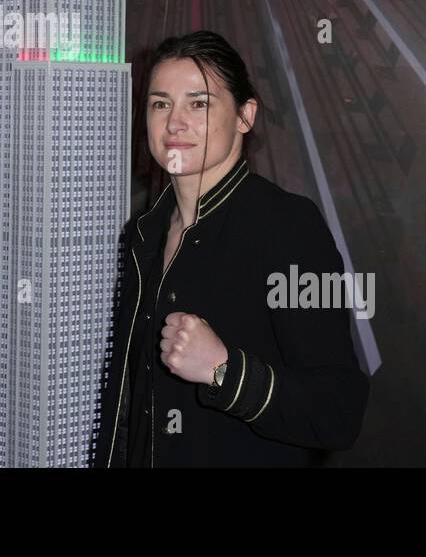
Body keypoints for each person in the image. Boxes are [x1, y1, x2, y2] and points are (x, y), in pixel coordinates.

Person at [94, 30, 369, 466]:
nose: (175, 123)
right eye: (160, 103)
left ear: (245, 115)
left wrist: (224, 370)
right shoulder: (142, 234)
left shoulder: (289, 226)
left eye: (198, 103)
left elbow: (337, 411)